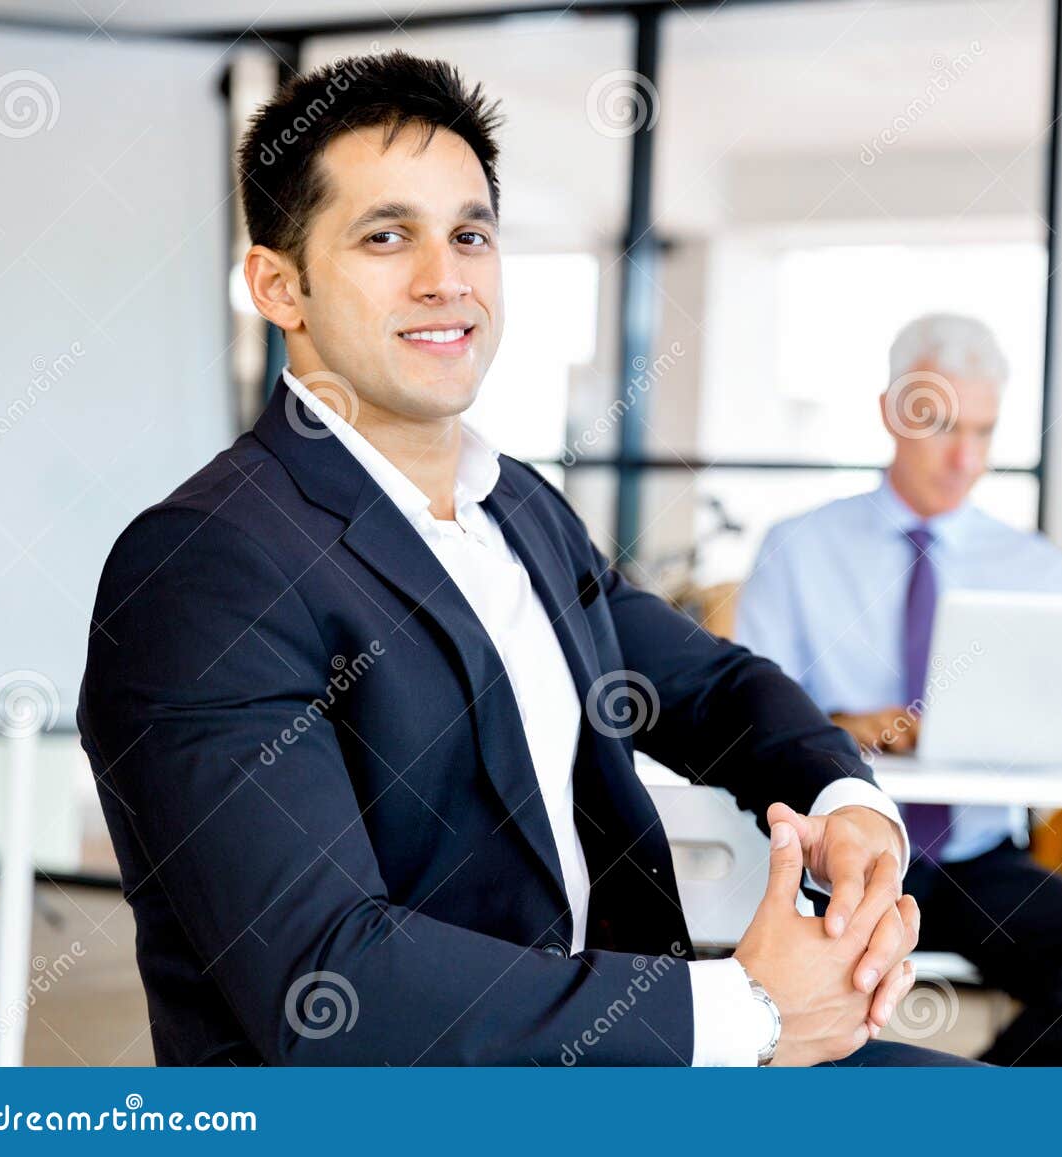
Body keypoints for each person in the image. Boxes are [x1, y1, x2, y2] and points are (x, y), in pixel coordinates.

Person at [77, 52, 968, 1067]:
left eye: (470, 234)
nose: (445, 277)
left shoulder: (517, 507)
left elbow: (713, 688)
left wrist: (848, 804)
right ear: (279, 286)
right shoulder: (204, 565)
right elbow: (328, 982)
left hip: (631, 1065)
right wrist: (745, 1010)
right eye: (385, 236)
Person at [734, 314, 1062, 1065]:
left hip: (974, 860)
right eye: (943, 427)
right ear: (891, 412)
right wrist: (841, 725)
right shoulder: (798, 548)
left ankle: (976, 1112)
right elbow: (746, 710)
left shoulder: (1037, 569)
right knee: (808, 1018)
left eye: (984, 432)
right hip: (840, 855)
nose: (967, 458)